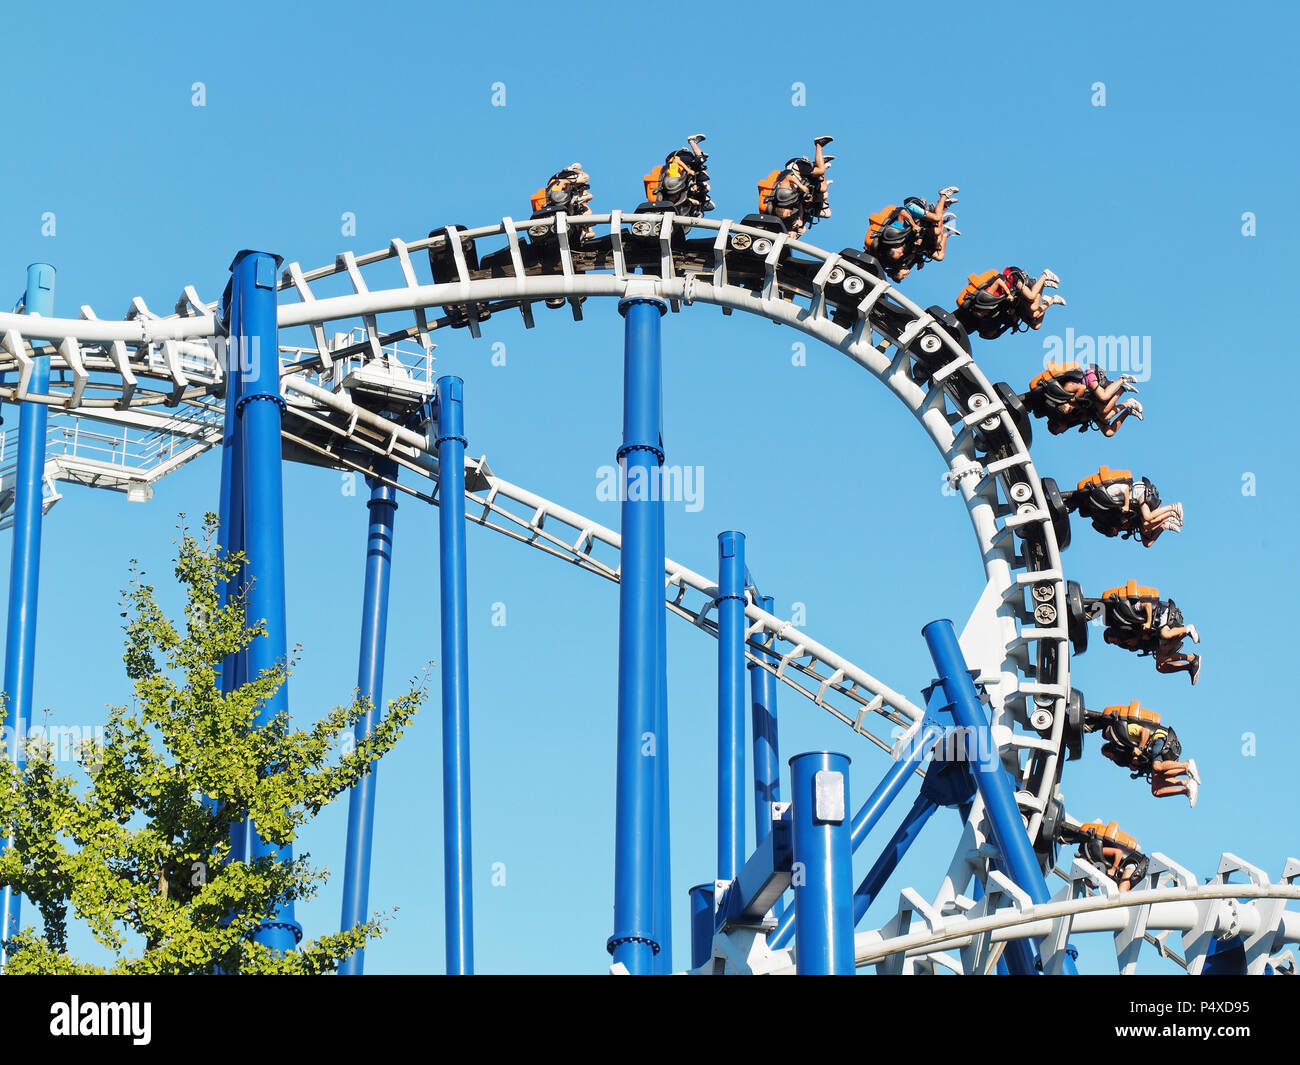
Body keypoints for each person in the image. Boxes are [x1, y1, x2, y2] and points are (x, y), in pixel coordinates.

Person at [1086, 701, 1200, 806]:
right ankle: (1187, 787)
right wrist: (1136, 770)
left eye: (1109, 756)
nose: (1110, 759)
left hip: (1159, 738)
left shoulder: (1126, 729)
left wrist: (1140, 748)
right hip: (1152, 749)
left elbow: (1144, 732)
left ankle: (1187, 765)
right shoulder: (1124, 751)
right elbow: (1136, 761)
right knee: (1156, 790)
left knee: (1157, 766)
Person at [1099, 581, 1203, 685]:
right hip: (1158, 635)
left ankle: (1188, 629)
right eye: (1113, 643)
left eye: (1114, 639)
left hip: (1164, 613)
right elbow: (1144, 637)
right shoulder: (1127, 640)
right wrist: (1137, 645)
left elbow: (1147, 605)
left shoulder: (1129, 613)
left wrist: (1148, 623)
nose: (1116, 642)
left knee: (1164, 634)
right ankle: (1192, 662)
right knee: (1161, 666)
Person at [1067, 467, 1184, 545]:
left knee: (1147, 519)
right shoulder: (1115, 520)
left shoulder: (1109, 493)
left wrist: (1126, 506)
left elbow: (1125, 488)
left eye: (1113, 533)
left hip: (1139, 493)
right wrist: (1128, 532)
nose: (1116, 533)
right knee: (1147, 543)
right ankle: (1165, 525)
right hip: (1137, 506)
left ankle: (1173, 509)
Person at [864, 186, 960, 281]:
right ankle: (946, 231)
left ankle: (944, 195)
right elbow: (914, 245)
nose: (901, 253)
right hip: (918, 225)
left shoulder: (893, 234)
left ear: (893, 248)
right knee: (939, 255)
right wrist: (920, 260)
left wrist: (914, 226)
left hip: (911, 208)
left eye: (899, 253)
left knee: (937, 219)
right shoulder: (902, 257)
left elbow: (902, 212)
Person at [1025, 362, 1144, 437]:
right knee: (1108, 432)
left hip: (1089, 379)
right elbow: (1083, 415)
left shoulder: (1068, 397)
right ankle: (1128, 409)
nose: (1062, 432)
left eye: (1059, 431)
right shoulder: (1070, 421)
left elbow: (1081, 389)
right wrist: (1085, 425)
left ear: (1058, 423)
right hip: (1091, 407)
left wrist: (1076, 400)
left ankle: (1122, 383)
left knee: (1104, 403)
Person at [954, 266, 1067, 338]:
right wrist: (1014, 324)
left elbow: (998, 281)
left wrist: (1008, 294)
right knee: (1036, 322)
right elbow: (1009, 313)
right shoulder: (999, 319)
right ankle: (1050, 300)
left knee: (1031, 296)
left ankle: (1045, 275)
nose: (992, 332)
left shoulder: (985, 299)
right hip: (1016, 298)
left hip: (1012, 279)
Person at [758, 136, 834, 237]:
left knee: (820, 170)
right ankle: (820, 163)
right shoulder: (792, 205)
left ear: (784, 209)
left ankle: (819, 145)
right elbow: (800, 206)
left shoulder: (783, 195)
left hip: (797, 168)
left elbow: (788, 178)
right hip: (804, 181)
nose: (790, 214)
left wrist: (800, 186)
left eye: (788, 214)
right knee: (823, 189)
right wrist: (800, 219)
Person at [1067, 821, 1150, 892]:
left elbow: (1118, 852)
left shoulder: (1096, 852)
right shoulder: (1099, 864)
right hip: (1132, 869)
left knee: (1121, 894)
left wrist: (1113, 869)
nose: (1093, 888)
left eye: (1090, 884)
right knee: (1119, 894)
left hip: (1134, 863)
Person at [644, 133, 714, 215]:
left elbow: (676, 161)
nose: (675, 197)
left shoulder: (673, 176)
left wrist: (688, 170)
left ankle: (693, 144)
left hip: (679, 156)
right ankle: (694, 148)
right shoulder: (679, 189)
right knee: (702, 174)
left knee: (700, 161)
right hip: (681, 160)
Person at [530, 163, 594, 240]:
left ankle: (582, 235)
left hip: (564, 217)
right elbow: (585, 177)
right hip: (554, 213)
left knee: (587, 213)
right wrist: (574, 170)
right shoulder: (559, 184)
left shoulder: (570, 191)